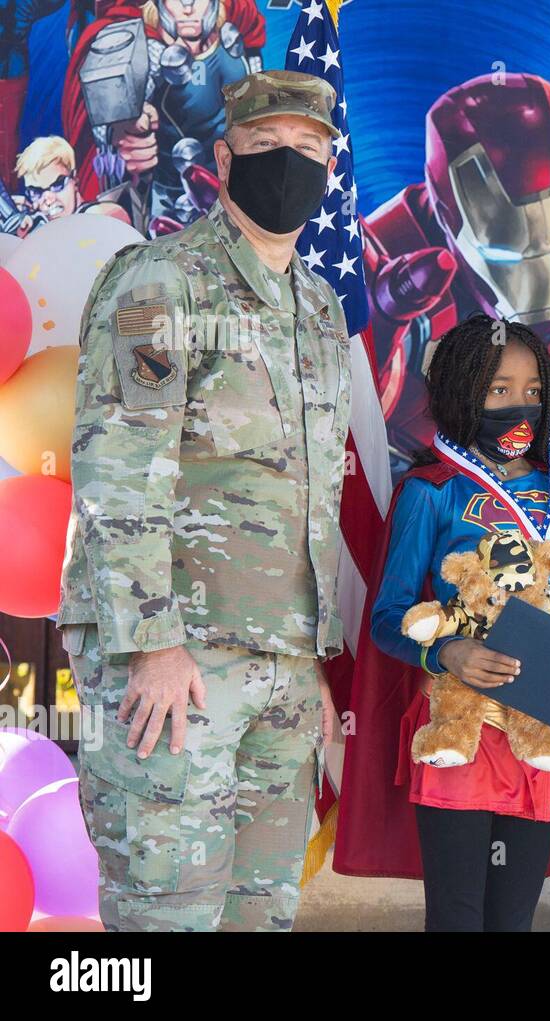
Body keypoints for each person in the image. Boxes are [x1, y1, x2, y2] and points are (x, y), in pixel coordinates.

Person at [59, 69, 350, 932]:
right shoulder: (160, 283)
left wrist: (309, 662)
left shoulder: (321, 307)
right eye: (267, 148)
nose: (290, 165)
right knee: (167, 916)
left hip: (283, 669)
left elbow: (314, 495)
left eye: (309, 151)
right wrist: (151, 642)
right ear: (223, 156)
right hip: (177, 664)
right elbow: (119, 464)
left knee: (262, 915)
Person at [368, 314, 550, 932]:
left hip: (540, 734)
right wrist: (448, 652)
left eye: (533, 390)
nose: (519, 404)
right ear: (460, 393)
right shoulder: (431, 489)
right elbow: (388, 617)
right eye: (498, 390)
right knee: (456, 916)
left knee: (512, 918)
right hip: (459, 729)